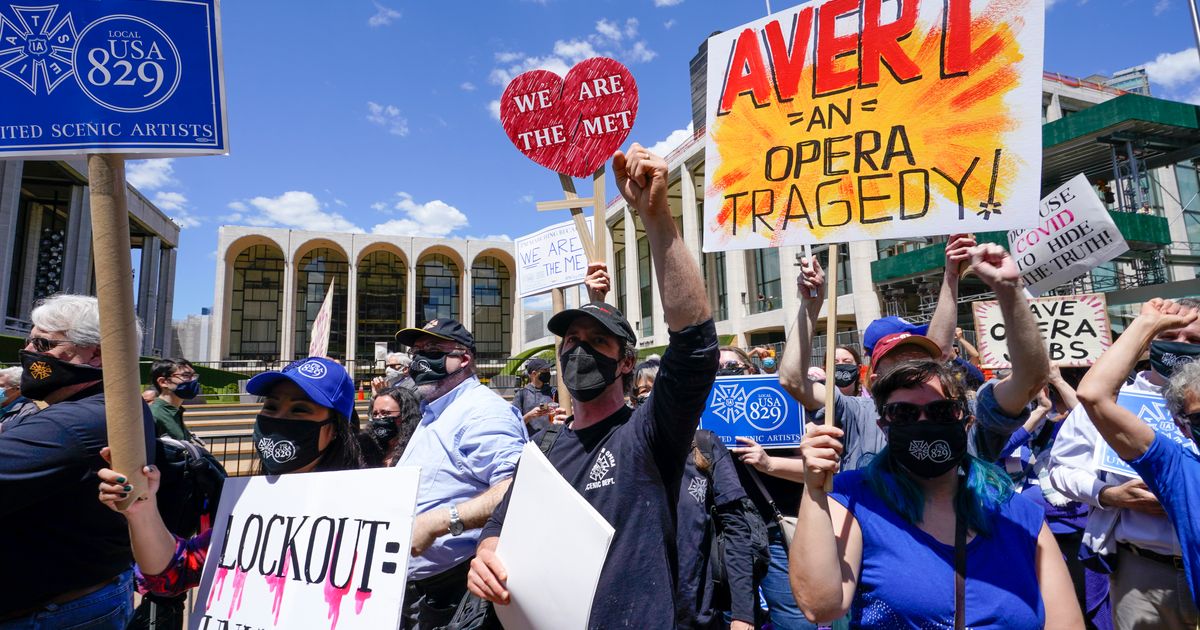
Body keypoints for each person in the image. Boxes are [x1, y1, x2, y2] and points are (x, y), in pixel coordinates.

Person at [468, 143, 718, 628]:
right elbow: (501, 526)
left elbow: (695, 347)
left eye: (597, 341)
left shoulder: (647, 436)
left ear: (626, 363)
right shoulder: (541, 449)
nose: (579, 349)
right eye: (572, 340)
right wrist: (486, 555)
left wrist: (656, 218)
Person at [791, 360, 1083, 628]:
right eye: (903, 413)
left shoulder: (1019, 514)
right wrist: (813, 489)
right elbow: (821, 606)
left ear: (966, 422)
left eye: (941, 411)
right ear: (884, 427)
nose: (923, 422)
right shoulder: (854, 499)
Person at [95, 356, 364, 598]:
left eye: (300, 410)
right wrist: (142, 510)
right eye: (271, 406)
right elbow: (175, 571)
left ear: (336, 429)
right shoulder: (250, 505)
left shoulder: (366, 512)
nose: (279, 419)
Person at [780, 235, 1049, 472]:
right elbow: (793, 380)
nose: (915, 370)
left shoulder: (968, 412)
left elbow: (1029, 380)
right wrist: (810, 305)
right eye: (900, 365)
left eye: (921, 362)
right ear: (876, 379)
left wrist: (1009, 290)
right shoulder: (857, 413)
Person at [0, 294, 156, 627]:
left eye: (43, 344)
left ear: (97, 353)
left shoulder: (75, 422)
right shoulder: (115, 405)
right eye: (29, 339)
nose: (28, 351)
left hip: (49, 614)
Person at [1049, 297, 1200, 630]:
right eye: (1170, 335)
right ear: (1149, 341)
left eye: (1193, 340)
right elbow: (1060, 470)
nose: (1180, 344)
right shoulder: (1112, 403)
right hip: (1142, 571)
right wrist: (1109, 495)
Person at [392, 317, 527, 628]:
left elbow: (517, 489)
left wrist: (441, 521)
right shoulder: (435, 411)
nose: (420, 359)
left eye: (432, 350)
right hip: (412, 590)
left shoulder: (484, 412)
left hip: (451, 593)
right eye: (416, 351)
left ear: (463, 359)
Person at [361, 385, 421, 468]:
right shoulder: (366, 450)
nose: (379, 418)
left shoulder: (417, 450)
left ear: (404, 415)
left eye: (385, 413)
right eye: (375, 414)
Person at [148, 358, 200, 441]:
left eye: (193, 376)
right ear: (163, 382)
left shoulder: (175, 411)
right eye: (186, 375)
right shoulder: (153, 415)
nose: (193, 380)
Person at [511, 357, 556, 432]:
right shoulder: (521, 394)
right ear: (534, 374)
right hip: (531, 438)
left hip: (551, 436)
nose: (548, 373)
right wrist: (530, 415)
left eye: (548, 370)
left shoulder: (553, 392)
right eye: (545, 370)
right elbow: (514, 423)